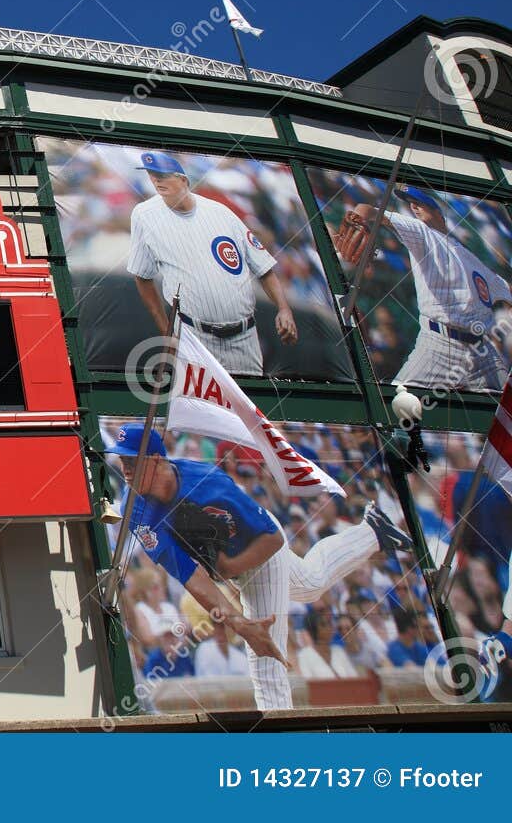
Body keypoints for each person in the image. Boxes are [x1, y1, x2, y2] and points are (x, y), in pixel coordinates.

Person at [109, 422, 411, 711]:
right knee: (309, 583)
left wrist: (230, 572)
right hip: (232, 562)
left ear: (156, 459)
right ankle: (373, 531)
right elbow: (188, 574)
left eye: (132, 461)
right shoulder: (135, 508)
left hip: (258, 545)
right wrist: (236, 621)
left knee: (263, 652)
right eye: (122, 461)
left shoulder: (209, 484)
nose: (126, 470)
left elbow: (272, 539)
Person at [125, 151, 297, 376]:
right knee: (200, 408)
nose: (156, 181)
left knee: (248, 406)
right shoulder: (144, 214)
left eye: (163, 175)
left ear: (183, 180)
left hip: (243, 338)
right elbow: (142, 276)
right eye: (152, 175)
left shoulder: (220, 212)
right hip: (194, 337)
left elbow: (263, 267)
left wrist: (284, 309)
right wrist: (166, 329)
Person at [352, 187, 512, 391]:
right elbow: (369, 210)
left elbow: (506, 290)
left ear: (438, 210)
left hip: (481, 350)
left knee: (505, 411)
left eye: (419, 201)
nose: (414, 206)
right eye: (410, 202)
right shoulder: (421, 232)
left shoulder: (471, 258)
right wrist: (358, 218)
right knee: (399, 406)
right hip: (440, 343)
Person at [296, 606, 358, 679]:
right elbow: (309, 684)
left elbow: (354, 678)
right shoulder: (304, 655)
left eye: (329, 623)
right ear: (314, 630)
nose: (330, 627)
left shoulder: (338, 650)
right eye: (324, 625)